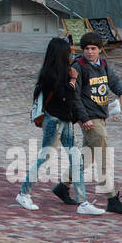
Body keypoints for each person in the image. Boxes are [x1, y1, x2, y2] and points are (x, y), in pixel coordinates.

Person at [17, 37, 104, 215]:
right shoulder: (51, 74)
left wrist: (77, 117)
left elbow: (70, 101)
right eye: (68, 51)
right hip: (54, 121)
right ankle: (23, 193)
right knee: (45, 157)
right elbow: (65, 96)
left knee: (76, 160)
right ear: (60, 53)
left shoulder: (63, 70)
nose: (71, 54)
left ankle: (83, 202)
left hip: (66, 121)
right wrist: (72, 81)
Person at [71, 31, 122, 215]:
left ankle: (63, 185)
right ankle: (111, 198)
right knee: (103, 156)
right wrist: (83, 118)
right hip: (90, 119)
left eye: (93, 48)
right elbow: (74, 96)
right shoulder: (78, 66)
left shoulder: (103, 64)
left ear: (100, 49)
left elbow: (114, 81)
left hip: (100, 115)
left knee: (87, 157)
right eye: (86, 49)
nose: (90, 52)